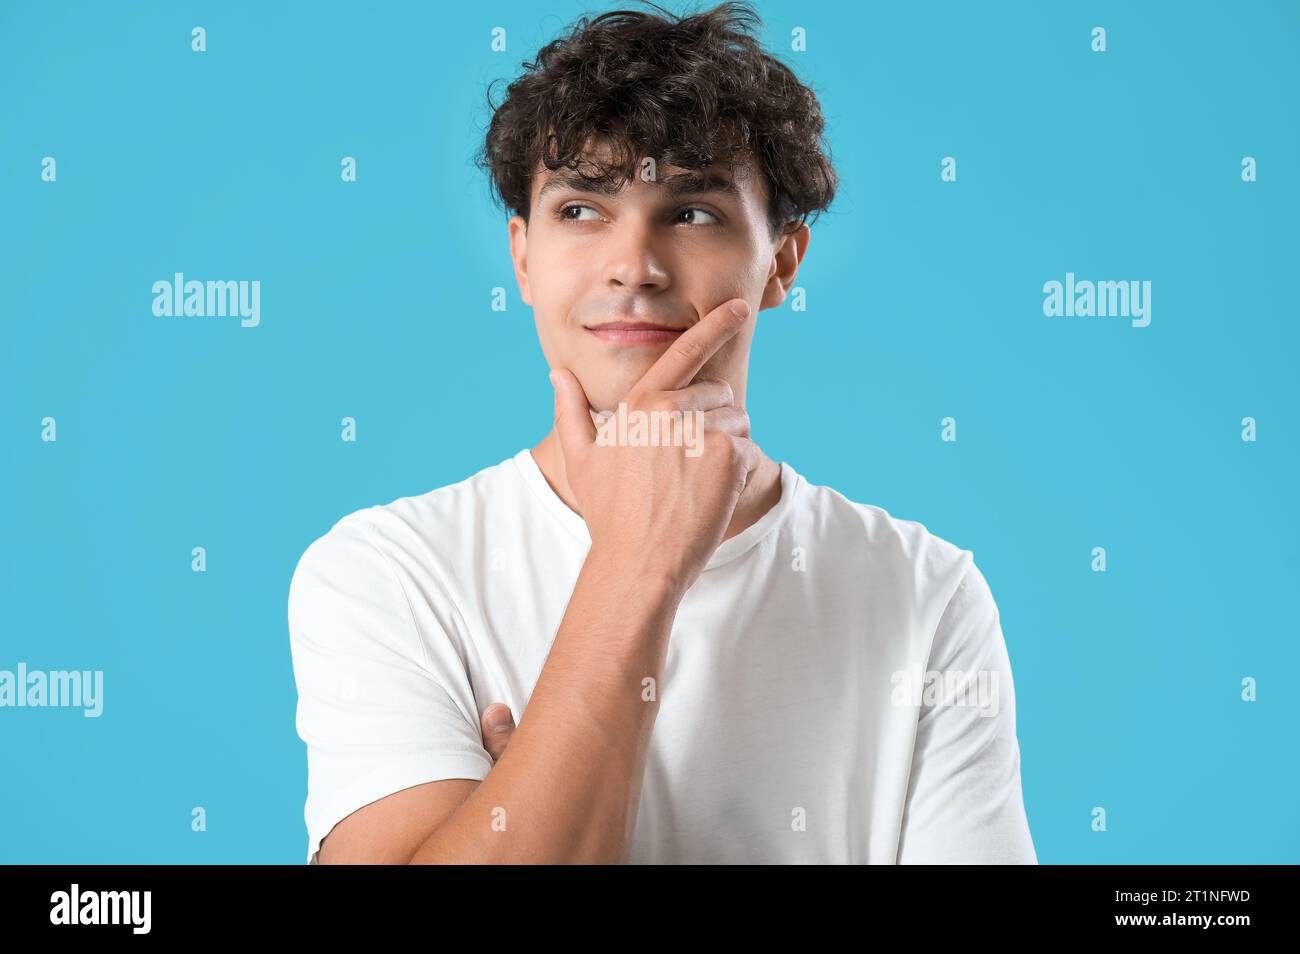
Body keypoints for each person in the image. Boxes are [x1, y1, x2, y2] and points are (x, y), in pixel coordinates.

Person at [287, 1, 1036, 864]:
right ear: (522, 258)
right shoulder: (387, 572)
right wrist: (635, 565)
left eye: (691, 213)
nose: (634, 266)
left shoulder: (927, 595)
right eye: (580, 211)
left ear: (782, 264)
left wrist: (534, 799)